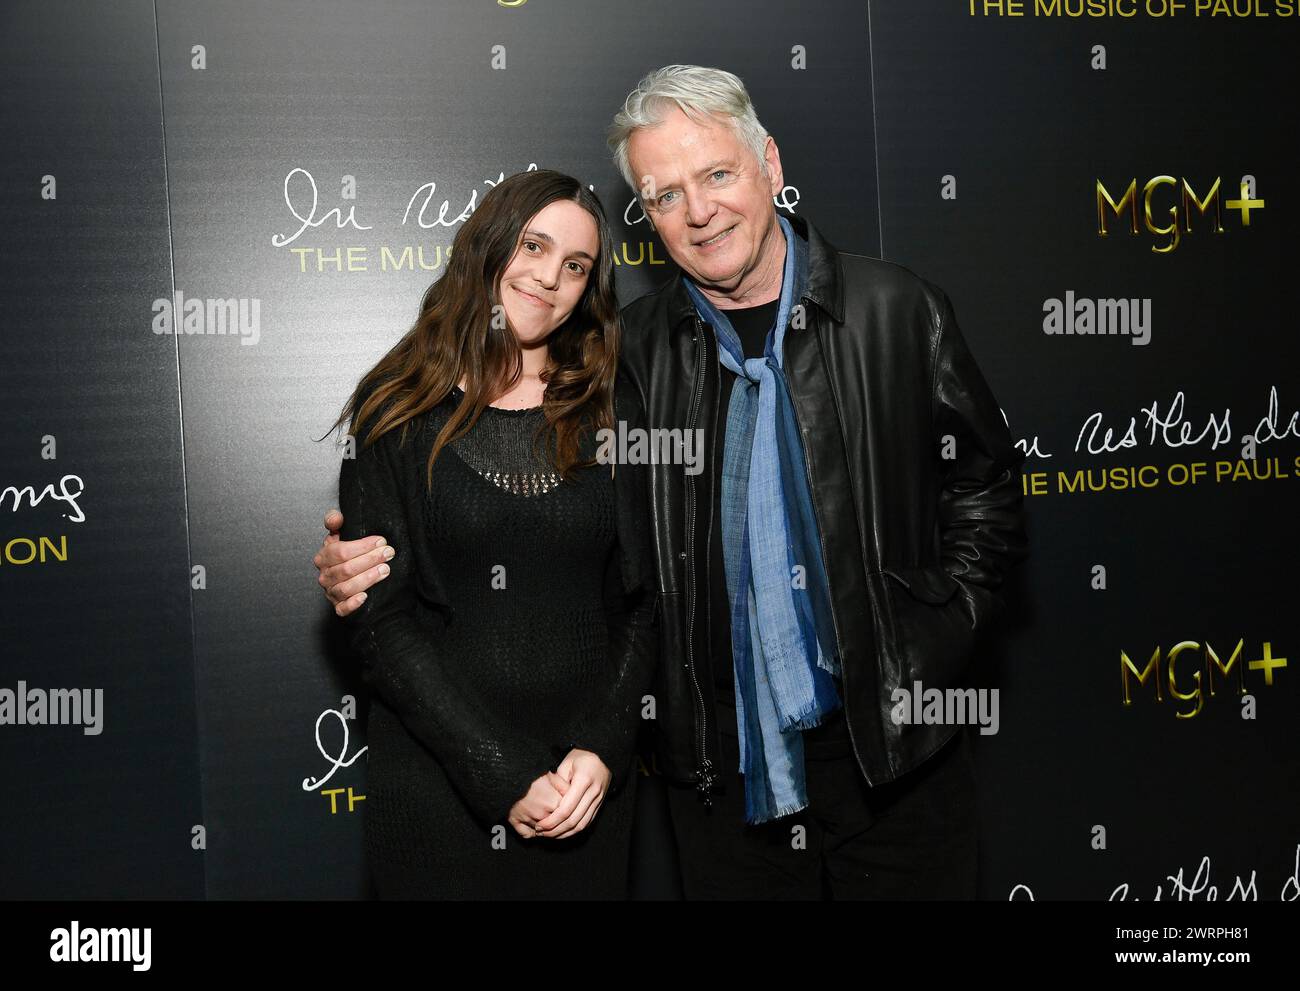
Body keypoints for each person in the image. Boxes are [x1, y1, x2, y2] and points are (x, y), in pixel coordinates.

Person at [318, 65, 1028, 899]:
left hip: (899, 760)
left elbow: (986, 494)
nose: (698, 211)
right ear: (647, 217)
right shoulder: (634, 356)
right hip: (722, 777)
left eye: (718, 174)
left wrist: (930, 643)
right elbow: (626, 574)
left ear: (769, 160)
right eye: (664, 195)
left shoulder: (898, 312)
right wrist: (356, 567)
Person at [327, 168, 658, 899]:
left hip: (584, 791)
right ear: (490, 247)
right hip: (438, 786)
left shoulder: (614, 408)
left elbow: (641, 601)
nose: (550, 278)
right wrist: (497, 769)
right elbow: (383, 625)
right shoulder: (396, 409)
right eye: (534, 247)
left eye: (575, 266)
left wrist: (603, 749)